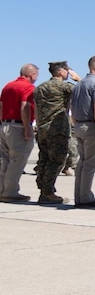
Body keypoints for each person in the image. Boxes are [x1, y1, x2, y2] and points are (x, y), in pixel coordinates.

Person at [33, 61, 79, 204]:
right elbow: (84, 90)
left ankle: (43, 189)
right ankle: (47, 192)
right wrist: (77, 79)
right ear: (60, 72)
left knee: (44, 158)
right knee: (57, 160)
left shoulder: (39, 88)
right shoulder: (64, 87)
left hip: (42, 128)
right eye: (67, 70)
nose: (68, 73)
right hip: (57, 129)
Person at [70, 56, 95, 208]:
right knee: (91, 164)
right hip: (91, 125)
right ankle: (85, 197)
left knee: (82, 162)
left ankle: (80, 197)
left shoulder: (79, 85)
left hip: (79, 126)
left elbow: (72, 107)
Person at [0, 64, 39, 202]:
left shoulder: (8, 86)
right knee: (17, 160)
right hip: (18, 127)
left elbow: (1, 106)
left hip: (4, 125)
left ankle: (2, 190)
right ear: (32, 74)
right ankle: (10, 192)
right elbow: (25, 107)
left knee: (4, 160)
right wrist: (27, 128)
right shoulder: (28, 87)